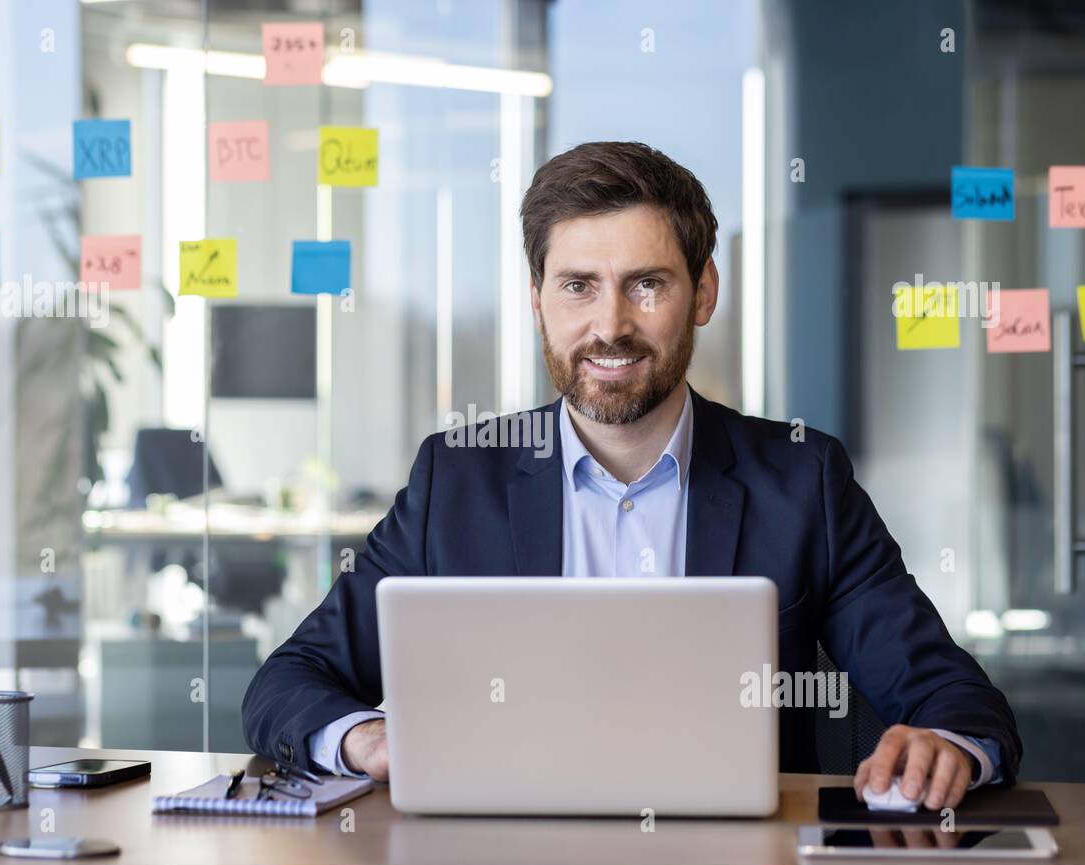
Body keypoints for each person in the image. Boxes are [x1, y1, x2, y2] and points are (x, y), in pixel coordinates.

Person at [242, 141, 1021, 811]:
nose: (609, 324)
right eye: (578, 285)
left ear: (703, 292)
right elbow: (288, 681)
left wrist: (942, 745)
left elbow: (955, 697)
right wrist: (368, 739)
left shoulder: (802, 478)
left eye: (646, 284)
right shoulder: (457, 480)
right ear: (538, 302)